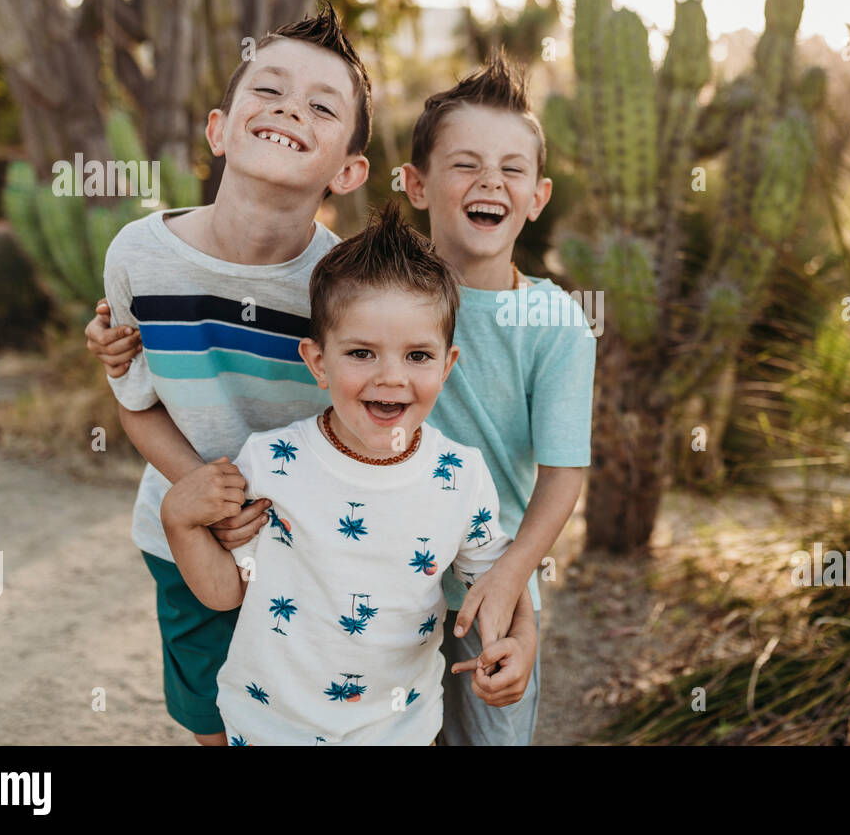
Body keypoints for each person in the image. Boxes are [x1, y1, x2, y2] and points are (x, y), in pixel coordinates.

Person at [89, 51, 594, 745]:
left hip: (486, 573)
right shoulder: (368, 289)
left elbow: (562, 474)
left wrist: (514, 583)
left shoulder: (549, 322)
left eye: (512, 169)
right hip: (361, 571)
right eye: (466, 164)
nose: (489, 183)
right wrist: (123, 336)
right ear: (415, 184)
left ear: (538, 195)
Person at [161, 203, 536, 745]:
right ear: (318, 362)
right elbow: (224, 592)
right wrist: (179, 520)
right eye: (361, 352)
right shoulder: (271, 462)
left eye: (417, 356)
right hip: (269, 728)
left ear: (447, 364)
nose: (391, 378)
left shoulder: (461, 476)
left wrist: (521, 642)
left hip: (400, 731)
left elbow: (496, 582)